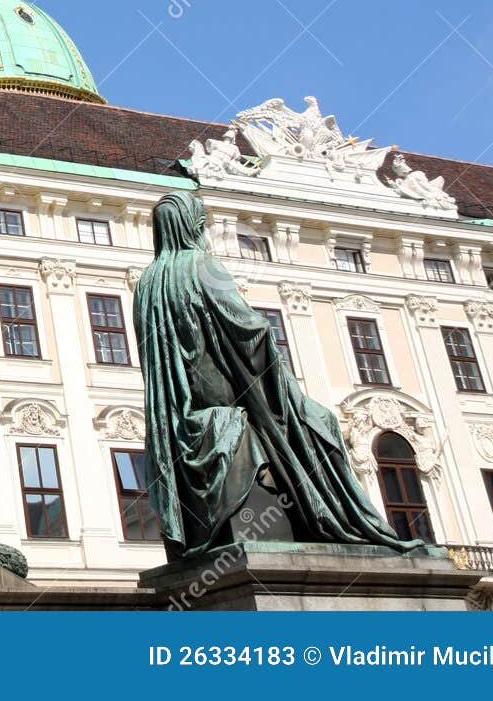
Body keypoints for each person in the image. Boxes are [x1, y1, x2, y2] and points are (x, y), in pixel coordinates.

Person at [135, 190, 427, 558]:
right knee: (319, 422)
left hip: (185, 402)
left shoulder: (148, 282)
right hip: (231, 390)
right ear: (195, 226)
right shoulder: (203, 266)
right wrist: (268, 338)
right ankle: (341, 524)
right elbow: (247, 330)